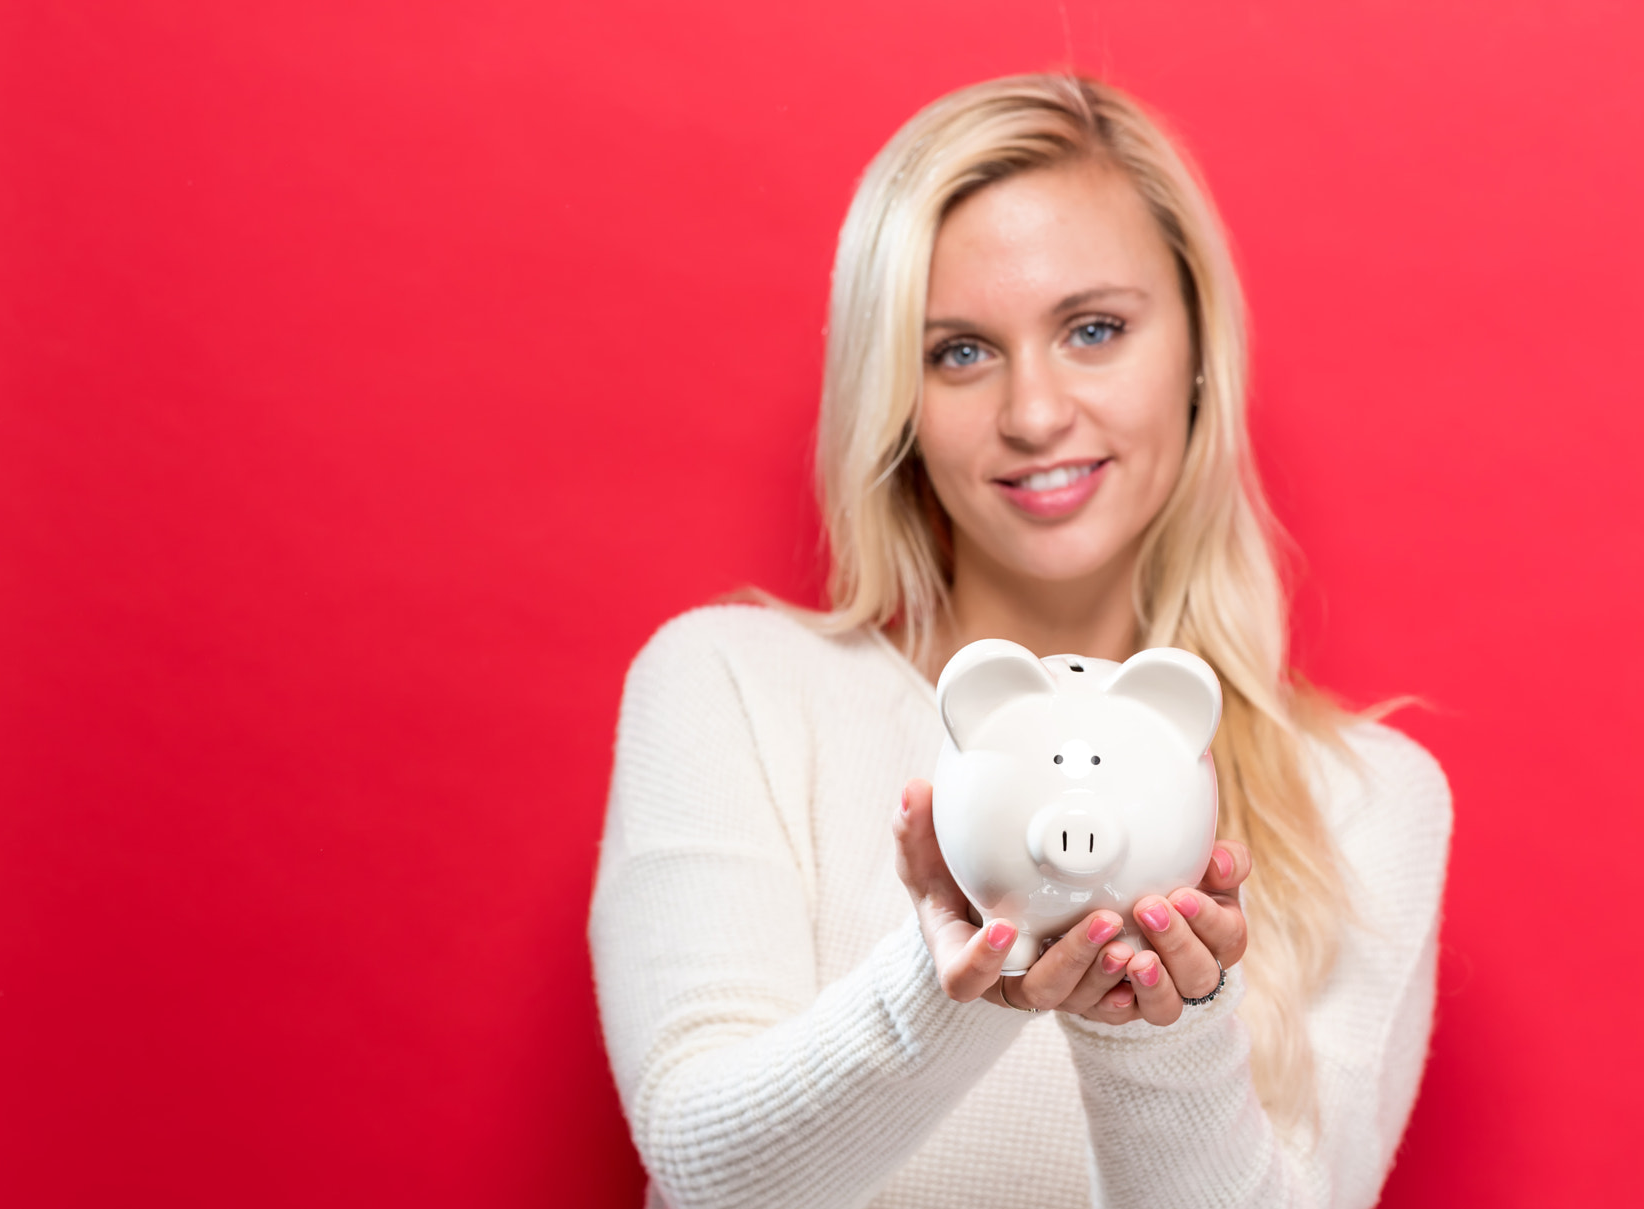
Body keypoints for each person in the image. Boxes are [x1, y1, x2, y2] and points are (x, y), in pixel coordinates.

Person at [587, 74, 1451, 1209]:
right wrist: (949, 979)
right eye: (957, 352)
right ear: (892, 394)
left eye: (1092, 329)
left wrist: (1153, 1027)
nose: (1034, 413)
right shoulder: (730, 690)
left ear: (1196, 350)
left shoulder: (1362, 803)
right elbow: (705, 1171)